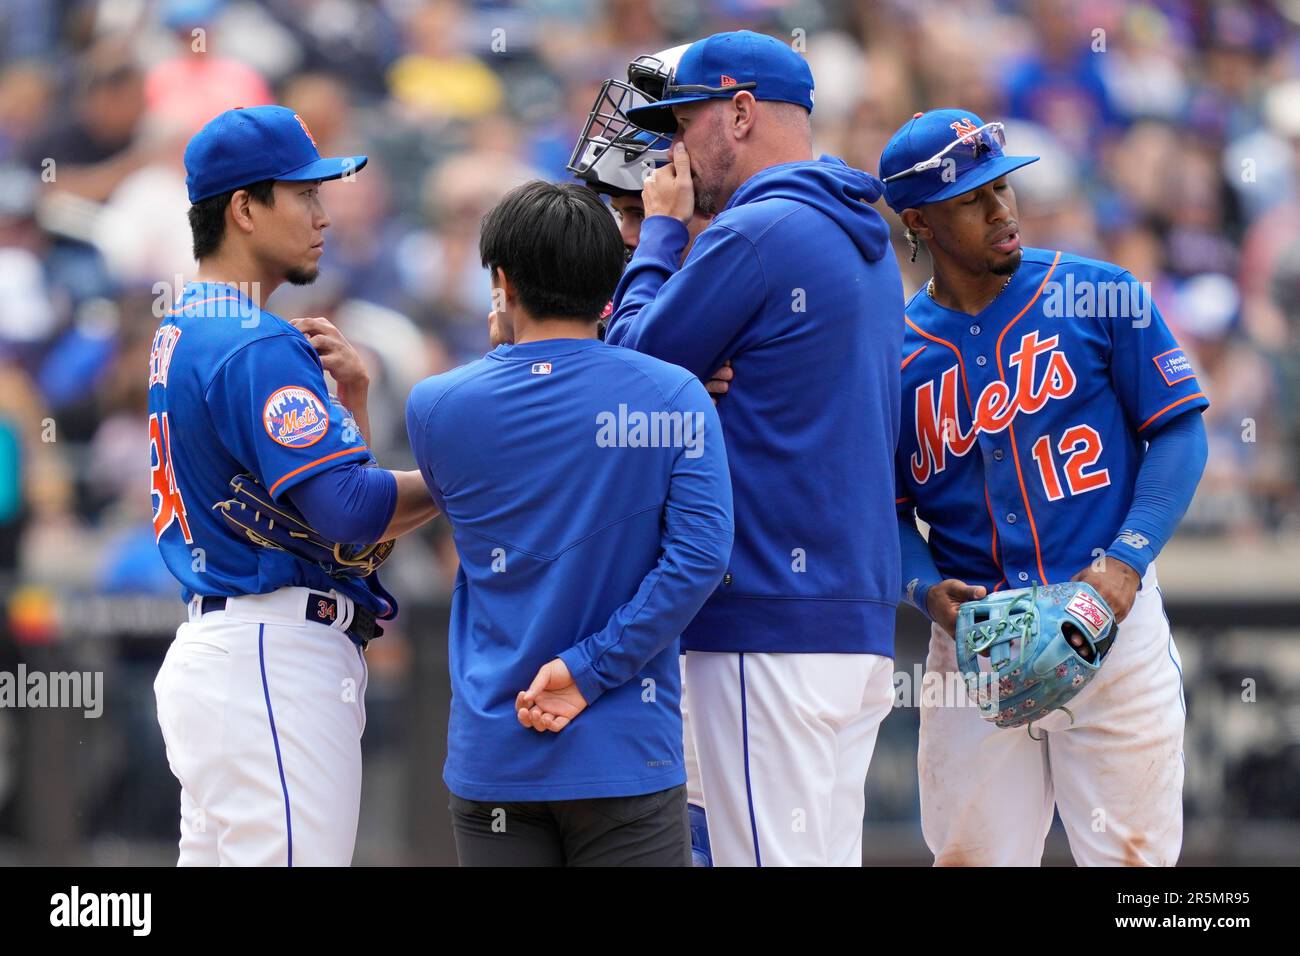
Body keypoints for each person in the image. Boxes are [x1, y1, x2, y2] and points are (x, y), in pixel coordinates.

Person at [881, 108, 1209, 866]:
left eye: (1003, 186)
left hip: (1109, 619)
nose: (1001, 210)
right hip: (975, 646)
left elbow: (1181, 430)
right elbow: (884, 513)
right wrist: (926, 590)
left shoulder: (1098, 294)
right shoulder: (891, 356)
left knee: (1137, 870)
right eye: (972, 198)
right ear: (919, 221)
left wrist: (1127, 561)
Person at [611, 30, 905, 867]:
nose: (673, 150)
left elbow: (628, 378)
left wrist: (662, 237)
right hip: (851, 624)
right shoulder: (858, 231)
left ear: (740, 113)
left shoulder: (760, 229)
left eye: (684, 120)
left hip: (766, 618)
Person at [405, 180, 733, 866]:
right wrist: (589, 670)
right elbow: (699, 560)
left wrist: (505, 345)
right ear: (610, 279)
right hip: (627, 751)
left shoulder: (437, 405)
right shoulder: (674, 393)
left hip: (497, 751)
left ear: (502, 282)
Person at [150, 105, 439, 866]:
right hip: (269, 662)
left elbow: (344, 532)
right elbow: (348, 514)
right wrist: (469, 468)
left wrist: (356, 413)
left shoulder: (190, 325)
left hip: (231, 652)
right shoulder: (254, 341)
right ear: (244, 208)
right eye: (303, 194)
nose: (324, 214)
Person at [567, 40, 729, 867]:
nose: (628, 233)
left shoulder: (751, 270)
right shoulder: (612, 307)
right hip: (624, 636)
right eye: (624, 215)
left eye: (639, 212)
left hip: (733, 630)